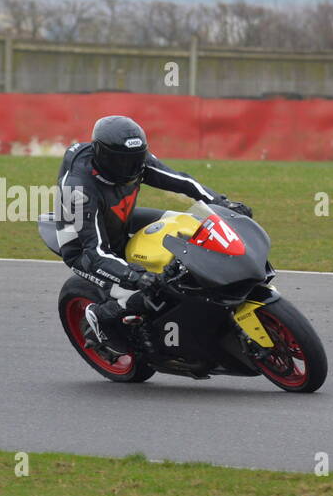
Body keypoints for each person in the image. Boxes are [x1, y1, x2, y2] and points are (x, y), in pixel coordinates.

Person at [54, 115, 251, 355]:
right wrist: (135, 276)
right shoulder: (78, 189)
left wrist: (221, 202)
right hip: (83, 246)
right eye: (121, 162)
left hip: (119, 220)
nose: (131, 168)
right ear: (101, 155)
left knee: (191, 224)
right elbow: (95, 252)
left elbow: (182, 182)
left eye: (135, 160)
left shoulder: (137, 161)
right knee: (144, 290)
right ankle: (101, 316)